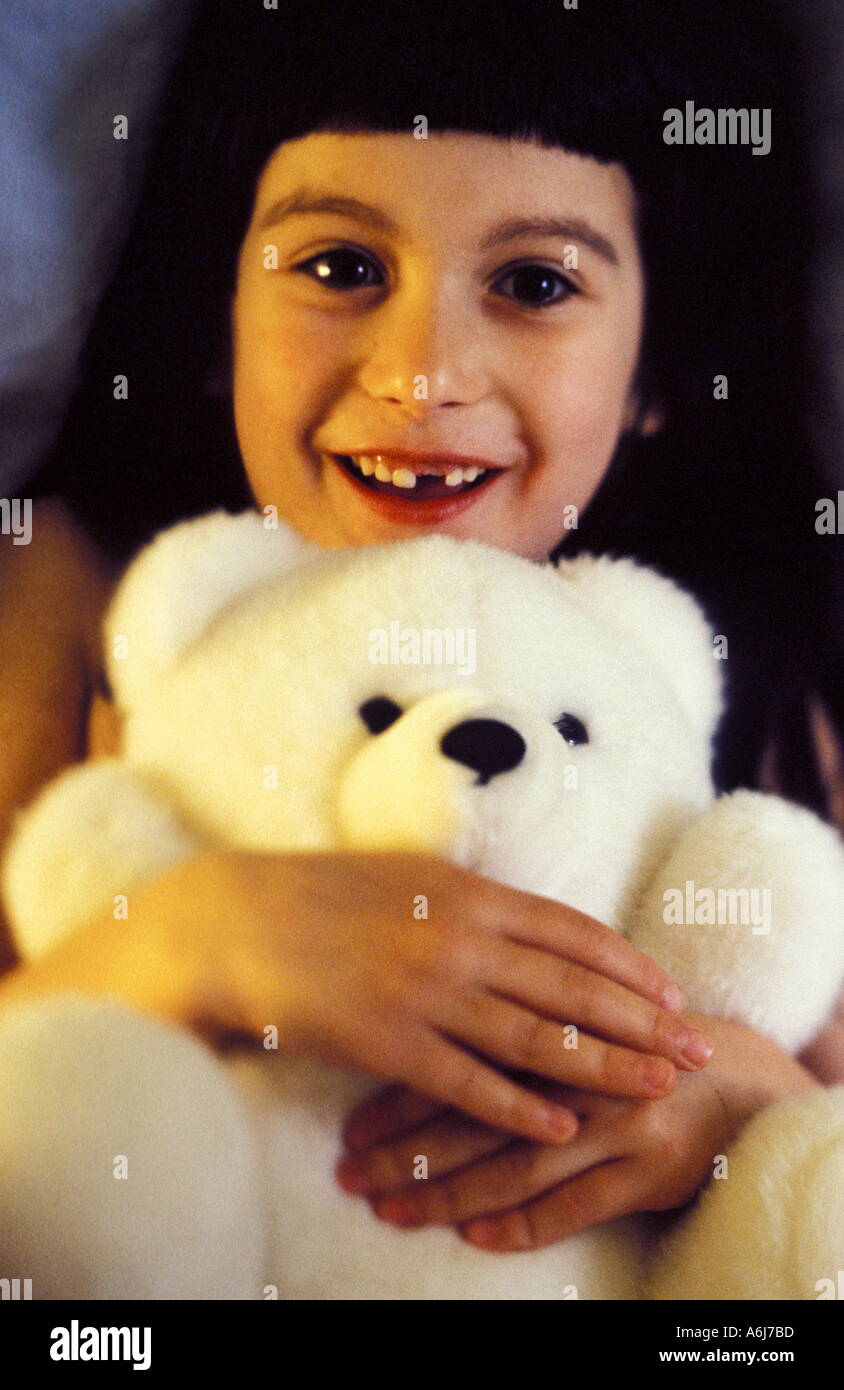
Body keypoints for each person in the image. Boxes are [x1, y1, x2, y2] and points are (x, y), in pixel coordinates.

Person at [0, 0, 840, 1259]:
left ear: (658, 367)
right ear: (218, 312)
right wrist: (197, 940)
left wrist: (743, 1111)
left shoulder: (756, 696)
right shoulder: (76, 607)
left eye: (533, 283)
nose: (423, 371)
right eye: (340, 268)